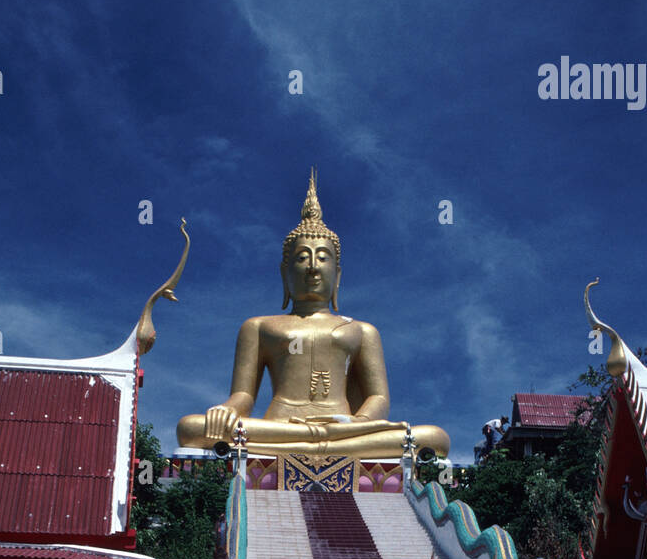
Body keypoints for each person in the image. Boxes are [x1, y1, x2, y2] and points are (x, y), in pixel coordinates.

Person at [176, 170, 449, 459]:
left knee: (434, 438)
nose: (313, 267)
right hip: (280, 427)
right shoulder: (258, 327)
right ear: (285, 273)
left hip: (343, 429)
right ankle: (321, 445)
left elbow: (378, 398)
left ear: (338, 275)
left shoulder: (363, 331)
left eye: (322, 257)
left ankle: (322, 444)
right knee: (192, 428)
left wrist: (361, 423)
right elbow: (244, 396)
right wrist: (228, 411)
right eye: (302, 257)